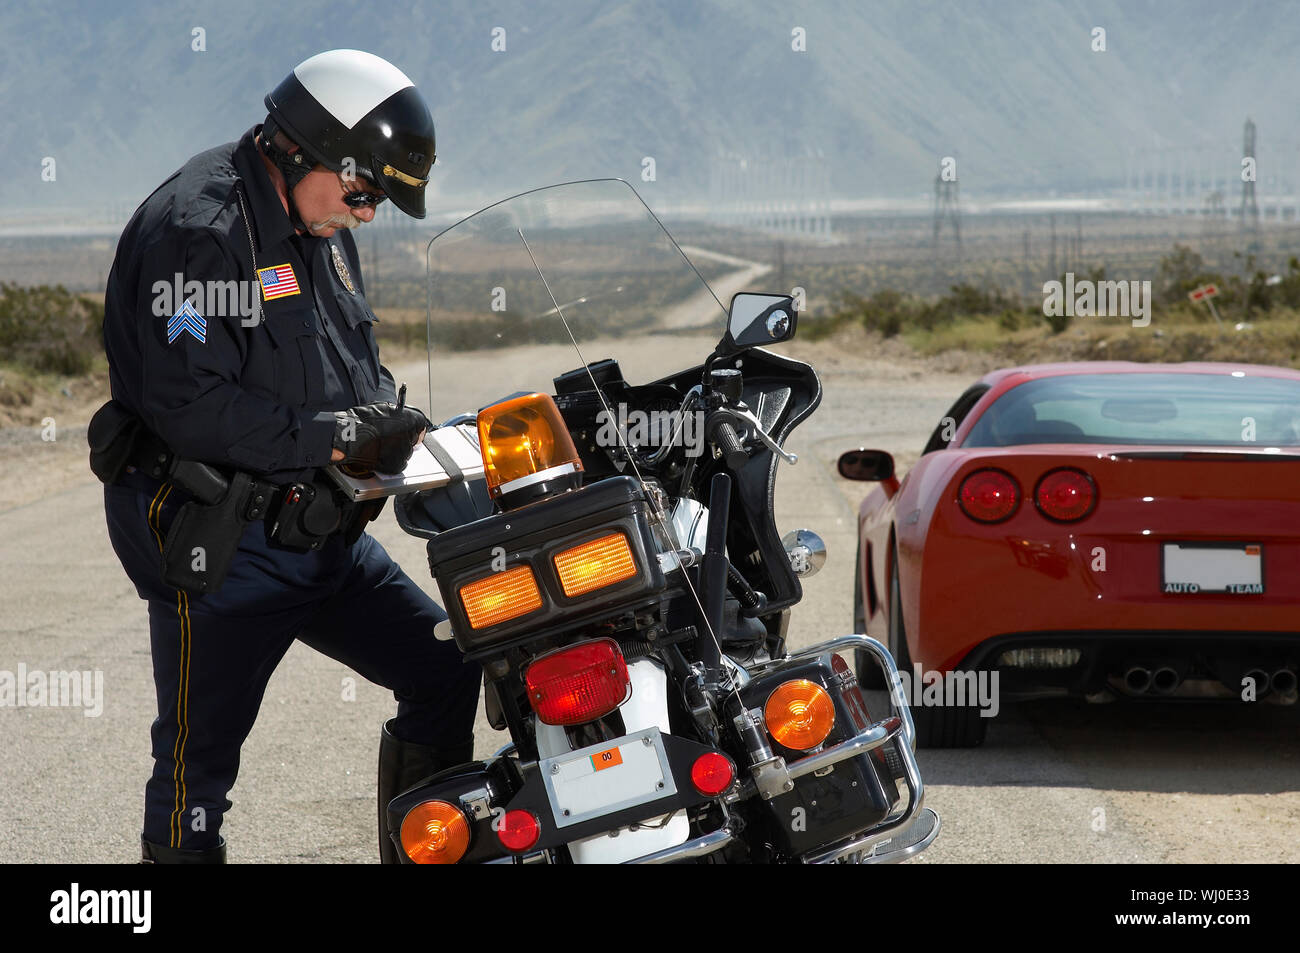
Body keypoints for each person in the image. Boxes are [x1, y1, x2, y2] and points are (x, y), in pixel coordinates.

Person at [94, 49, 481, 864]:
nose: (368, 212)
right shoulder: (198, 235)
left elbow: (349, 357)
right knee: (196, 769)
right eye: (365, 190)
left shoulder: (319, 219)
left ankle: (426, 850)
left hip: (323, 537)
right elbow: (192, 406)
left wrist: (388, 426)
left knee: (446, 666)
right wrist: (338, 437)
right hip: (226, 548)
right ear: (308, 150)